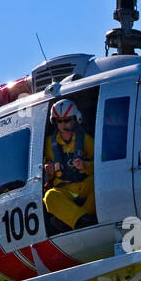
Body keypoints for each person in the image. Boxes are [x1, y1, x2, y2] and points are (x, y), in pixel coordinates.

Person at [42, 98, 96, 230]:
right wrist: (47, 170)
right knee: (49, 197)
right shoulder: (48, 144)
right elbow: (41, 171)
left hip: (85, 185)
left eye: (67, 120)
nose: (63, 124)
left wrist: (86, 166)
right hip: (65, 189)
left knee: (103, 180)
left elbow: (102, 163)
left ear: (75, 119)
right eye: (59, 121)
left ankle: (76, 218)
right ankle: (82, 220)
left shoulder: (86, 140)